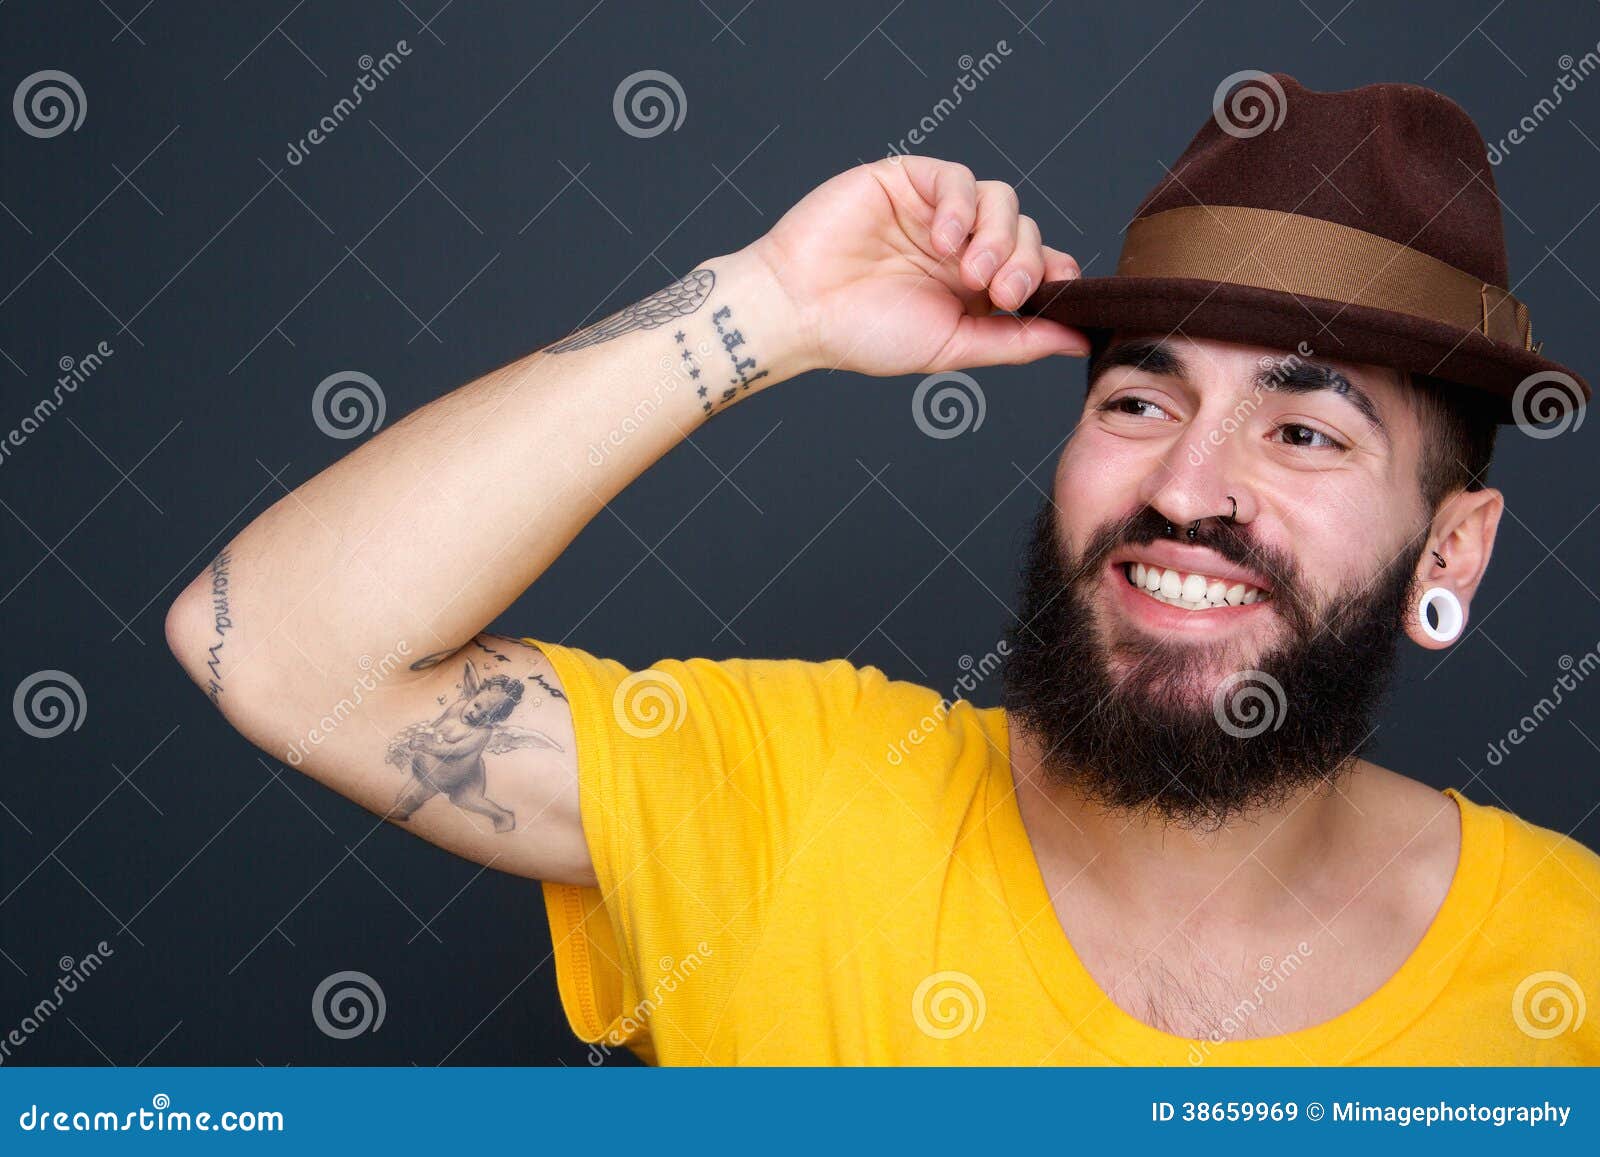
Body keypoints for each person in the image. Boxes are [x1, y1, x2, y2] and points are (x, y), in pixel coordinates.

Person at [166, 73, 1600, 1064]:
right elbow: (266, 641)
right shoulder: (790, 803)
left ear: (1452, 546)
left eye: (1302, 427)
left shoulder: (1571, 966)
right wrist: (770, 305)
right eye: (1138, 401)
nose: (1183, 485)